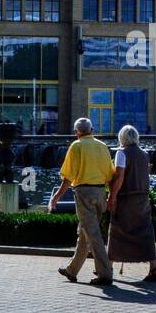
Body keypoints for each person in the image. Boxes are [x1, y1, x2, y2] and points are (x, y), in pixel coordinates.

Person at [51, 117, 115, 287]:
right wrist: (111, 196)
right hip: (101, 192)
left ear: (76, 133)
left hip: (84, 193)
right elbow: (110, 175)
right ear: (92, 130)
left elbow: (68, 177)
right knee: (85, 232)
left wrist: (56, 196)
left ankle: (105, 274)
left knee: (92, 234)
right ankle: (72, 270)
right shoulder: (102, 146)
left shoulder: (76, 146)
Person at [107, 125, 156, 283]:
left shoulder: (121, 153)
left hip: (126, 198)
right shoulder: (144, 154)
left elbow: (120, 177)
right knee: (145, 232)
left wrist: (112, 196)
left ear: (122, 138)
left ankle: (108, 268)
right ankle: (153, 267)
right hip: (142, 199)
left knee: (116, 231)